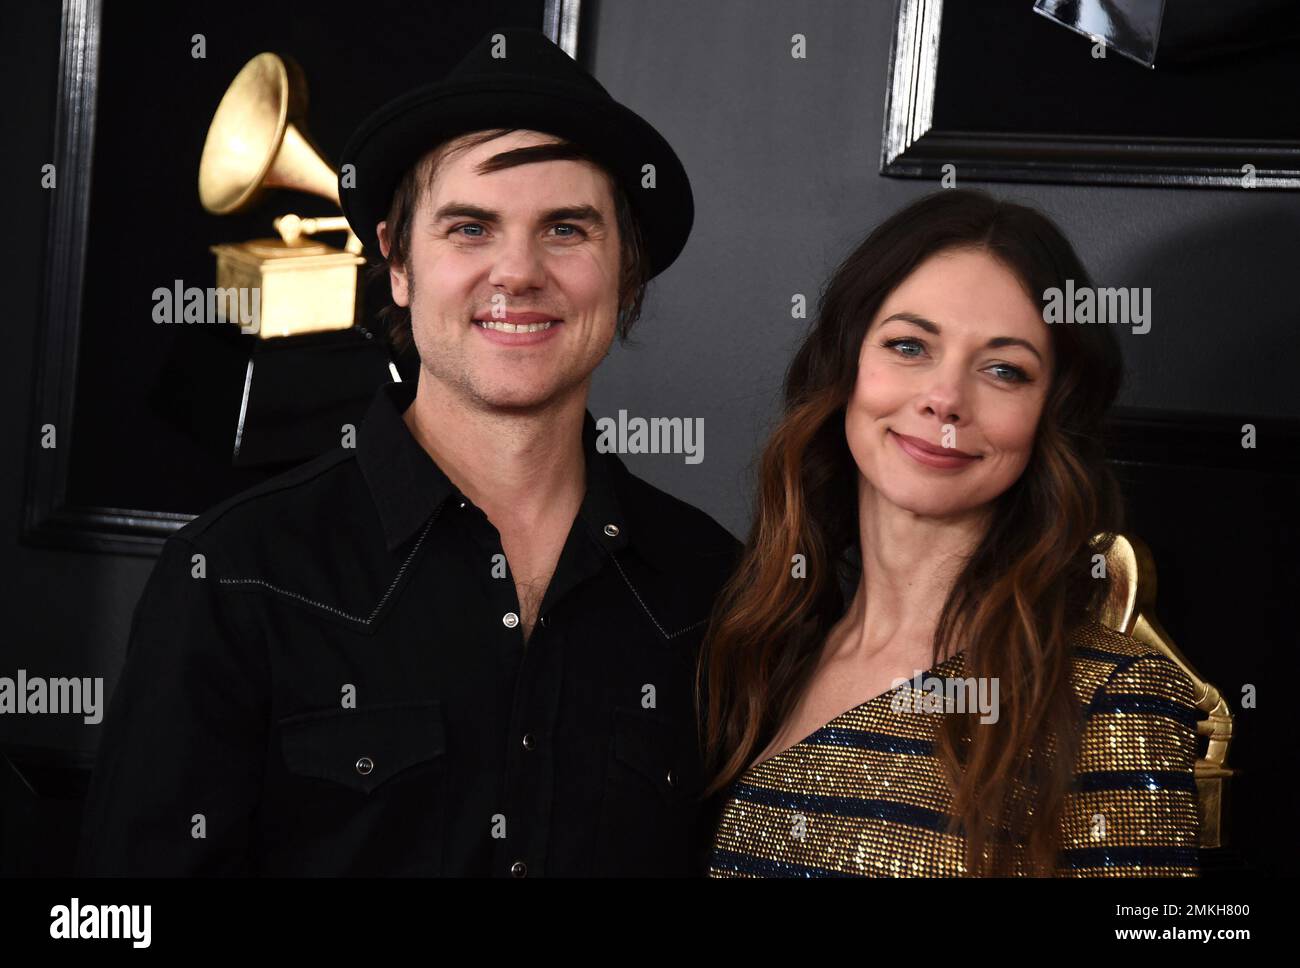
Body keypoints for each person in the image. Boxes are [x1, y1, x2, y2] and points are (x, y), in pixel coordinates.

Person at [78, 29, 740, 877]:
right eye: (470, 228)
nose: (518, 272)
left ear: (628, 275)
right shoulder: (235, 576)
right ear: (396, 263)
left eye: (566, 230)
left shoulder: (714, 590)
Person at [700, 189, 1201, 877]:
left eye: (1004, 370)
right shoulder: (754, 650)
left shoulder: (1108, 698)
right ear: (846, 369)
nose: (945, 400)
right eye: (909, 345)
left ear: (1049, 416)